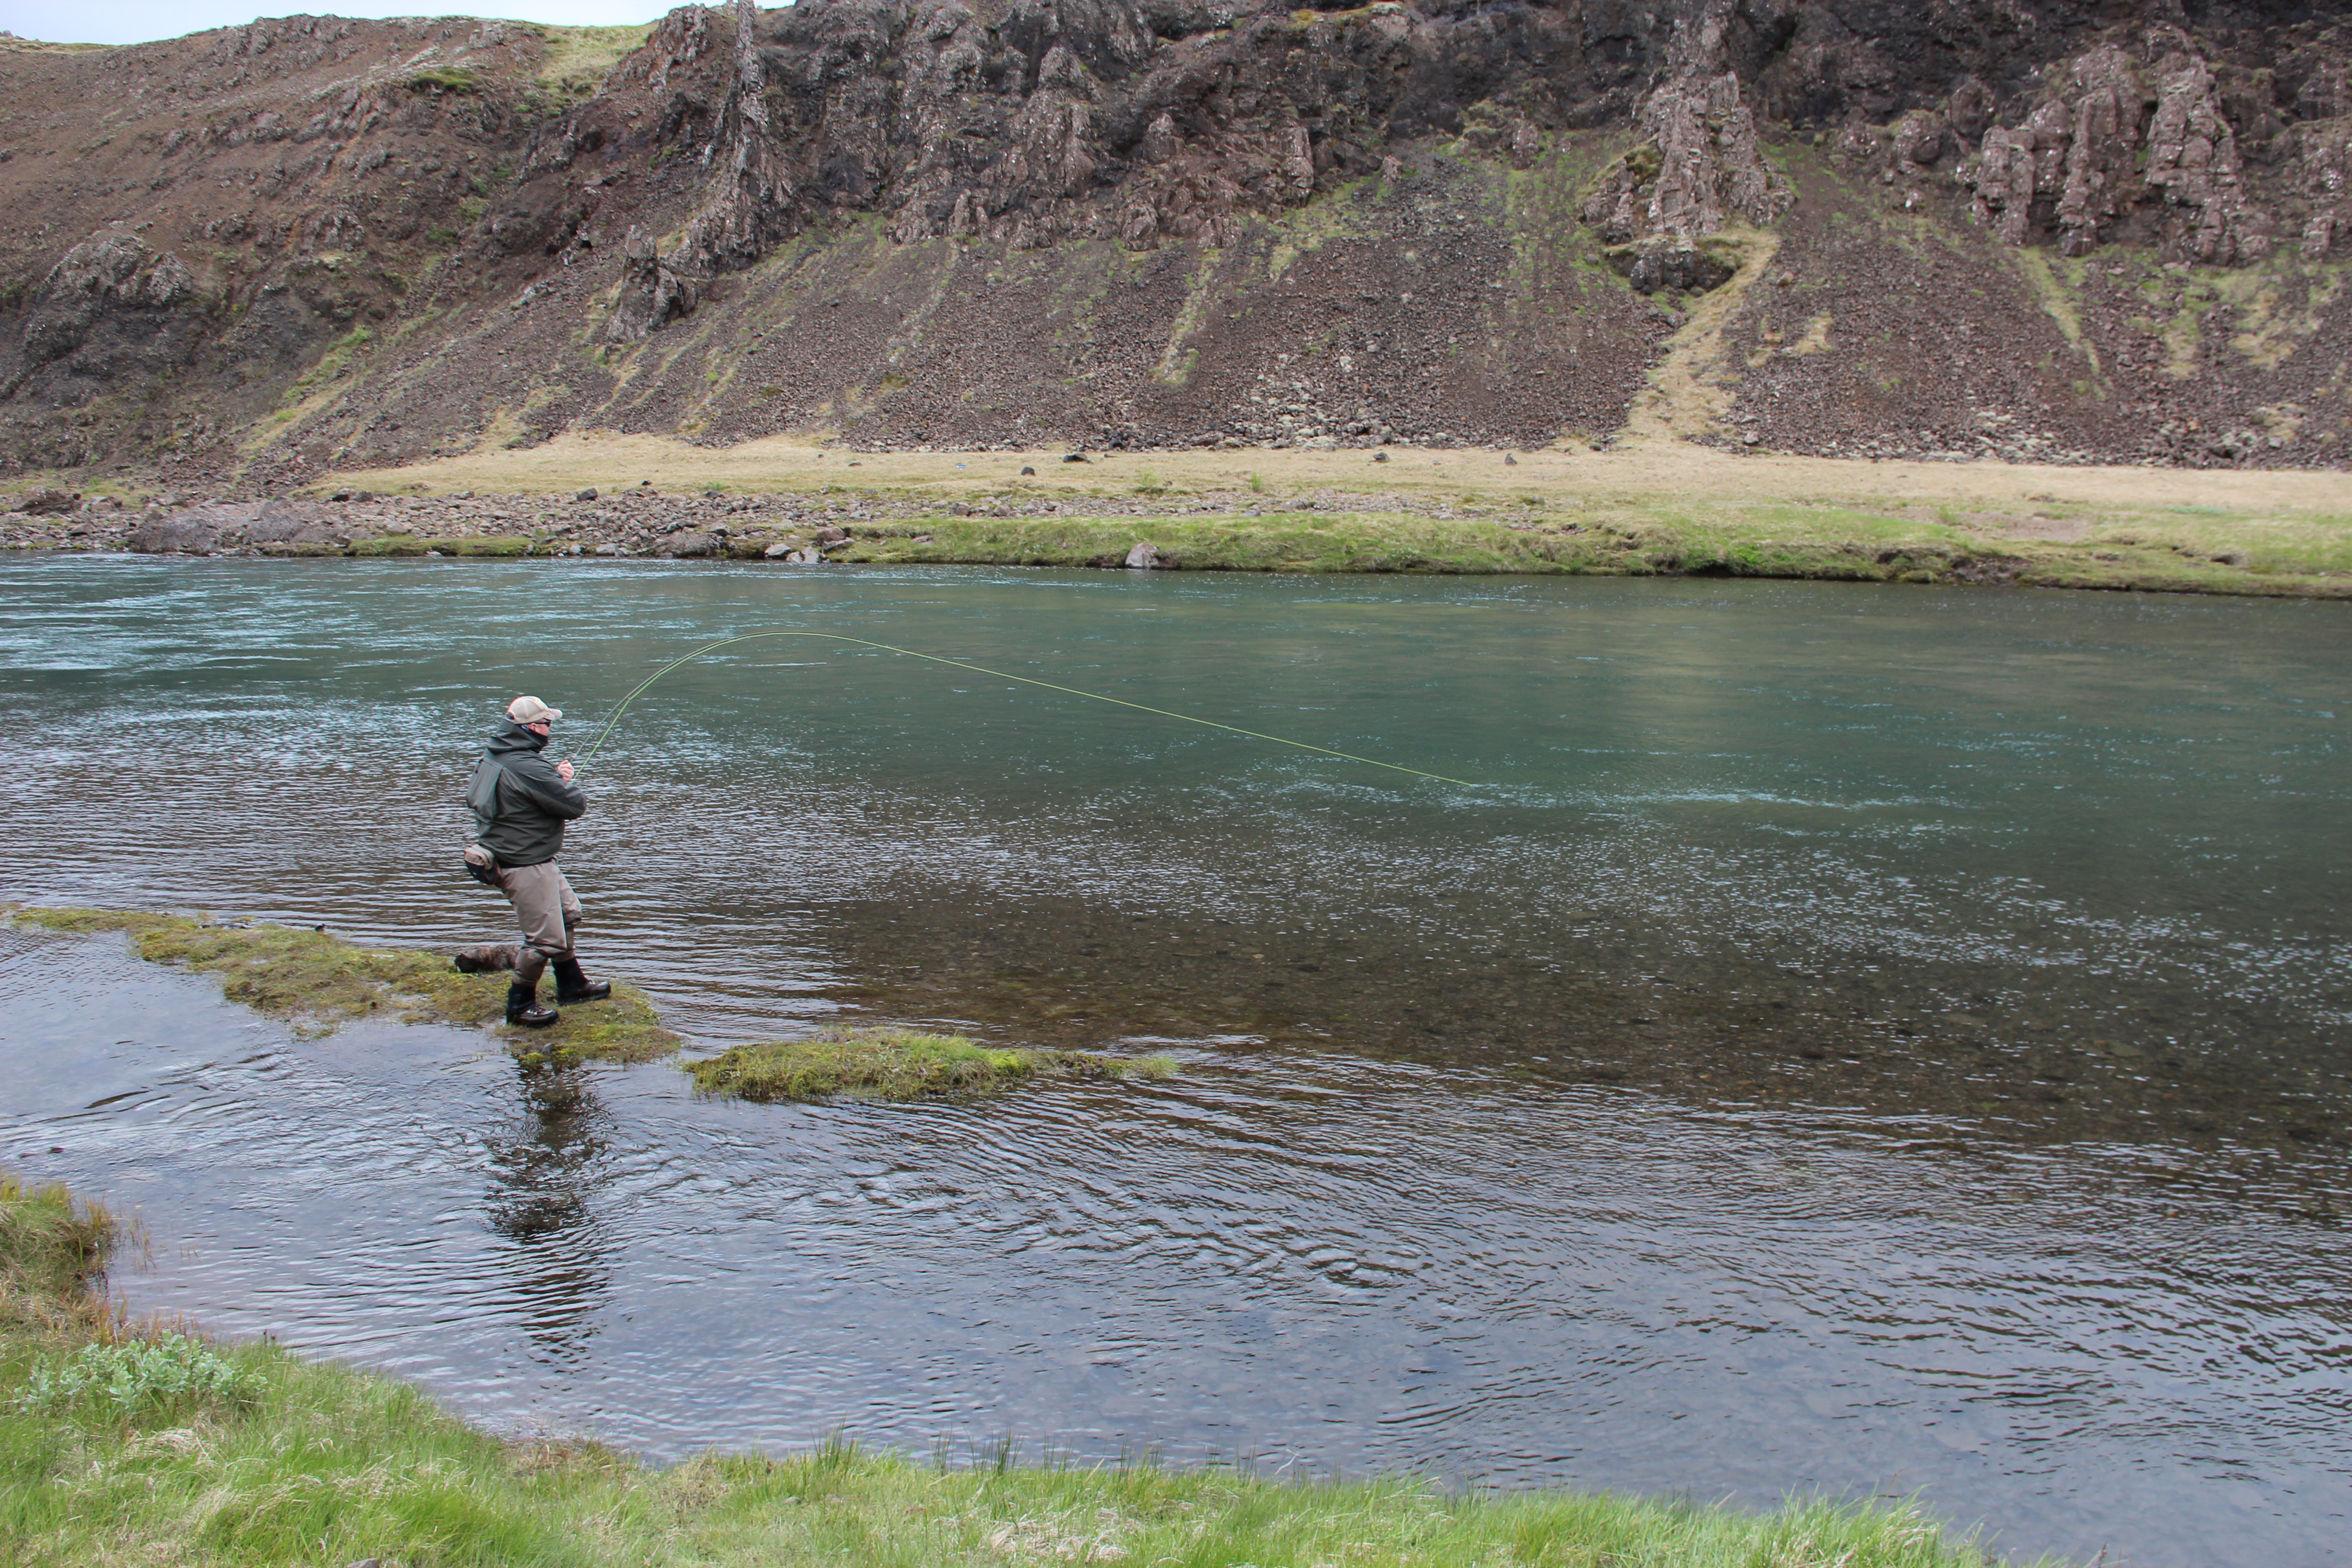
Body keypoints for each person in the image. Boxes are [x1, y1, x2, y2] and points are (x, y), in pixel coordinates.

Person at [453, 694, 611, 1027]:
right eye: (547, 724)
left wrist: (551, 777)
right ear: (532, 727)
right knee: (543, 940)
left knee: (567, 915)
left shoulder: (494, 758)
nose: (550, 730)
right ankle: (520, 1005)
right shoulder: (528, 765)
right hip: (524, 864)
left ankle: (573, 985)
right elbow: (574, 806)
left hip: (523, 856)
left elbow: (517, 792)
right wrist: (561, 782)